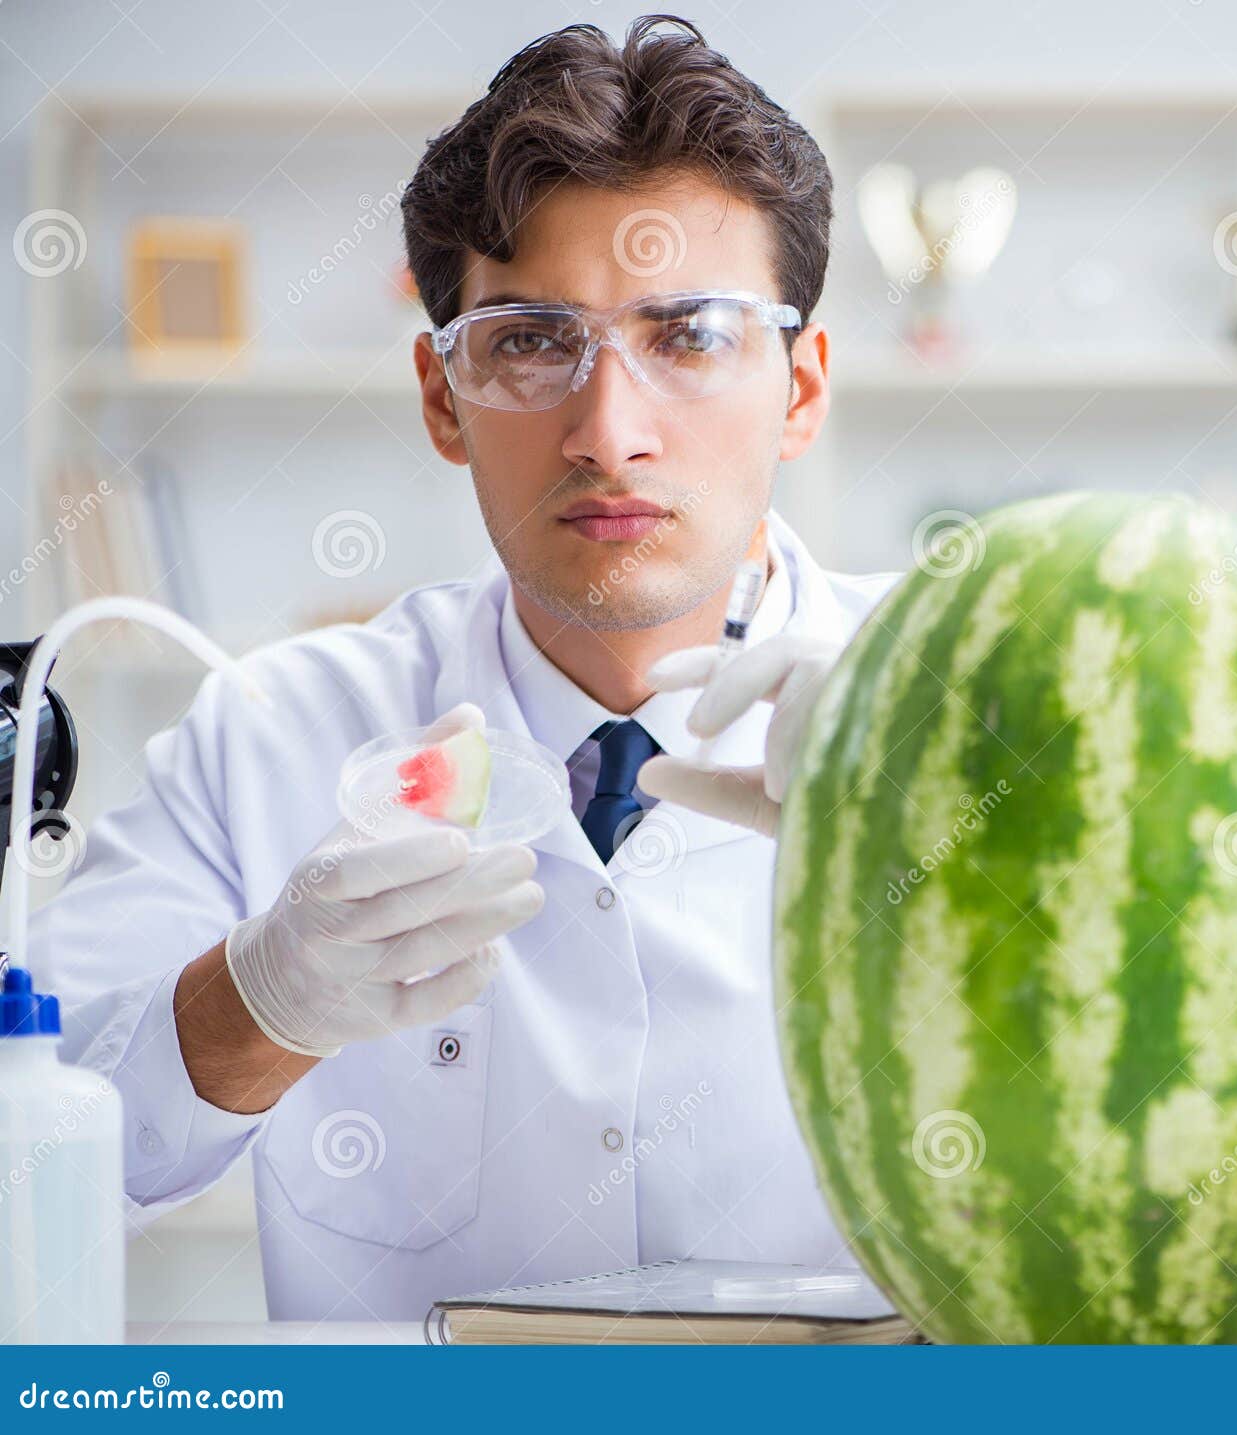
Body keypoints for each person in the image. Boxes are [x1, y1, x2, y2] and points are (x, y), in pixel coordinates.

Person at [32, 15, 902, 1321]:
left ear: (800, 388)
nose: (609, 435)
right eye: (532, 343)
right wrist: (257, 1002)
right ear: (443, 396)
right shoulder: (269, 735)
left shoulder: (964, 703)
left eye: (690, 336)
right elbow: (37, 1174)